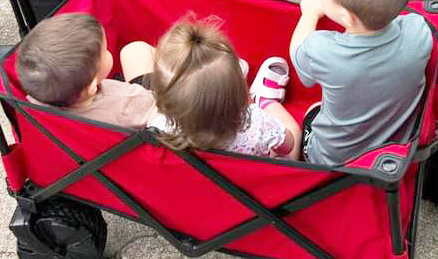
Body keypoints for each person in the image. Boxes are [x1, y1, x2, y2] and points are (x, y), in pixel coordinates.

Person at [289, 0, 432, 167]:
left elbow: (297, 54)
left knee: (312, 112)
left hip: (333, 160)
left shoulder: (322, 50)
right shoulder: (419, 29)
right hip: (394, 149)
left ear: (345, 15)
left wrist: (310, 13)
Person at [120, 18, 302, 158]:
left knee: (134, 50)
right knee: (293, 131)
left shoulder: (159, 126)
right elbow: (288, 145)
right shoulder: (259, 124)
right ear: (240, 90)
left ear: (161, 99)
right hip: (246, 186)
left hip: (203, 183)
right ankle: (265, 100)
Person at [16, 13, 159, 128]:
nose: (108, 52)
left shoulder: (36, 104)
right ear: (91, 87)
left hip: (96, 141)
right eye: (105, 51)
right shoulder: (128, 101)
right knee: (135, 50)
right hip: (152, 111)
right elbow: (165, 115)